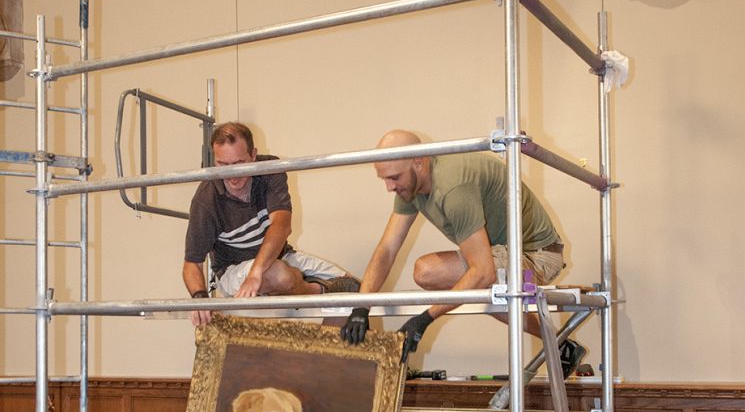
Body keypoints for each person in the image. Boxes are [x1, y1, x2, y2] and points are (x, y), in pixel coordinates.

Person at [340, 129, 586, 377]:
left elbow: (483, 271)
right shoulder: (410, 187)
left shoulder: (453, 187)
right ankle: (560, 343)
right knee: (446, 278)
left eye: (394, 178)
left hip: (538, 257)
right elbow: (387, 249)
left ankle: (558, 342)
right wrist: (361, 307)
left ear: (418, 162)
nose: (389, 187)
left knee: (440, 273)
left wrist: (425, 319)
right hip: (506, 254)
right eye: (384, 179)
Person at [183, 121, 360, 327]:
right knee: (279, 275)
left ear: (253, 155)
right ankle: (315, 290)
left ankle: (325, 344)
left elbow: (282, 225)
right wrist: (199, 297)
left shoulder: (269, 170)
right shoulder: (206, 199)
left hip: (278, 257)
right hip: (233, 270)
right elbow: (191, 263)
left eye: (239, 164)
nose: (231, 175)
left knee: (355, 290)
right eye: (223, 165)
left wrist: (256, 273)